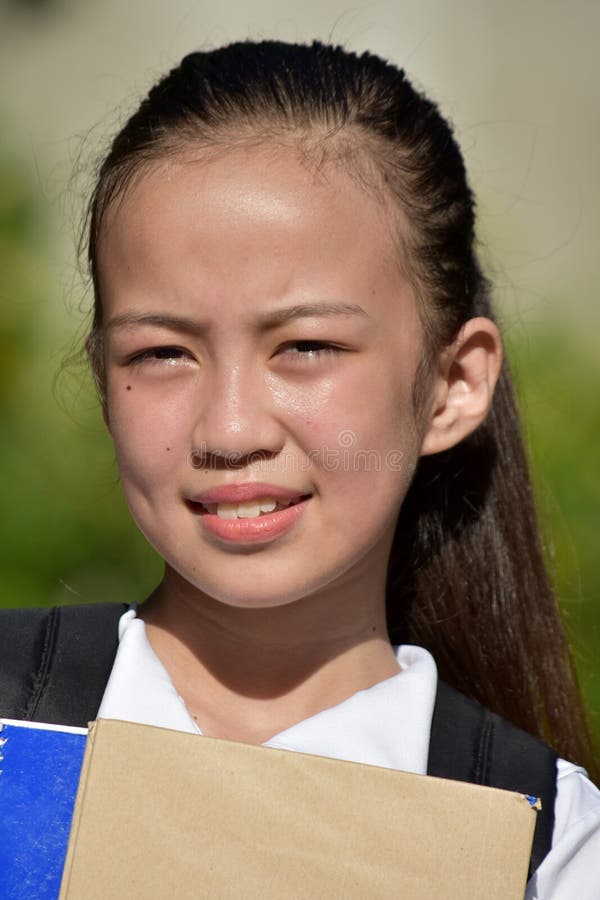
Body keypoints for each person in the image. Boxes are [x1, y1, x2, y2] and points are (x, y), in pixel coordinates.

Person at [2, 40, 599, 897]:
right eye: (165, 352)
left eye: (307, 346)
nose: (231, 427)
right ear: (104, 380)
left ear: (452, 384)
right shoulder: (13, 734)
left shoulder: (546, 847)